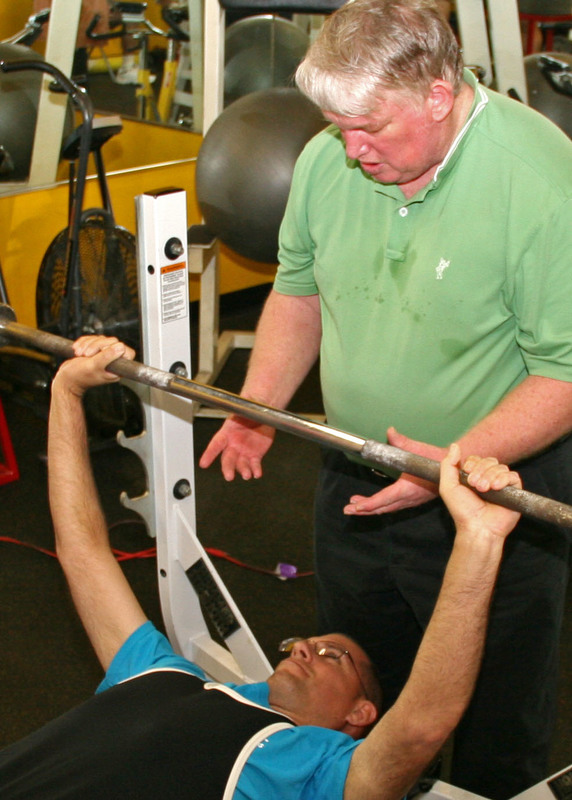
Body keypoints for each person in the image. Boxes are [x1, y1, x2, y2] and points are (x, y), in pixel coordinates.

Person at [199, 1, 572, 798]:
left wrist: (460, 465)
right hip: (356, 475)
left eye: (369, 127)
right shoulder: (328, 160)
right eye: (337, 126)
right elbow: (298, 294)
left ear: (440, 95)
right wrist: (255, 407)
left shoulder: (541, 182)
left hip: (489, 493)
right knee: (361, 691)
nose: (350, 148)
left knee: (493, 715)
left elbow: (566, 376)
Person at [0, 335, 521, 799]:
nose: (305, 648)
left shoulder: (318, 773)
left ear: (359, 716)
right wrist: (66, 392)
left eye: (335, 655)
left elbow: (421, 728)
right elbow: (83, 551)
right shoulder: (166, 673)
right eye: (308, 644)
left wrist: (478, 540)